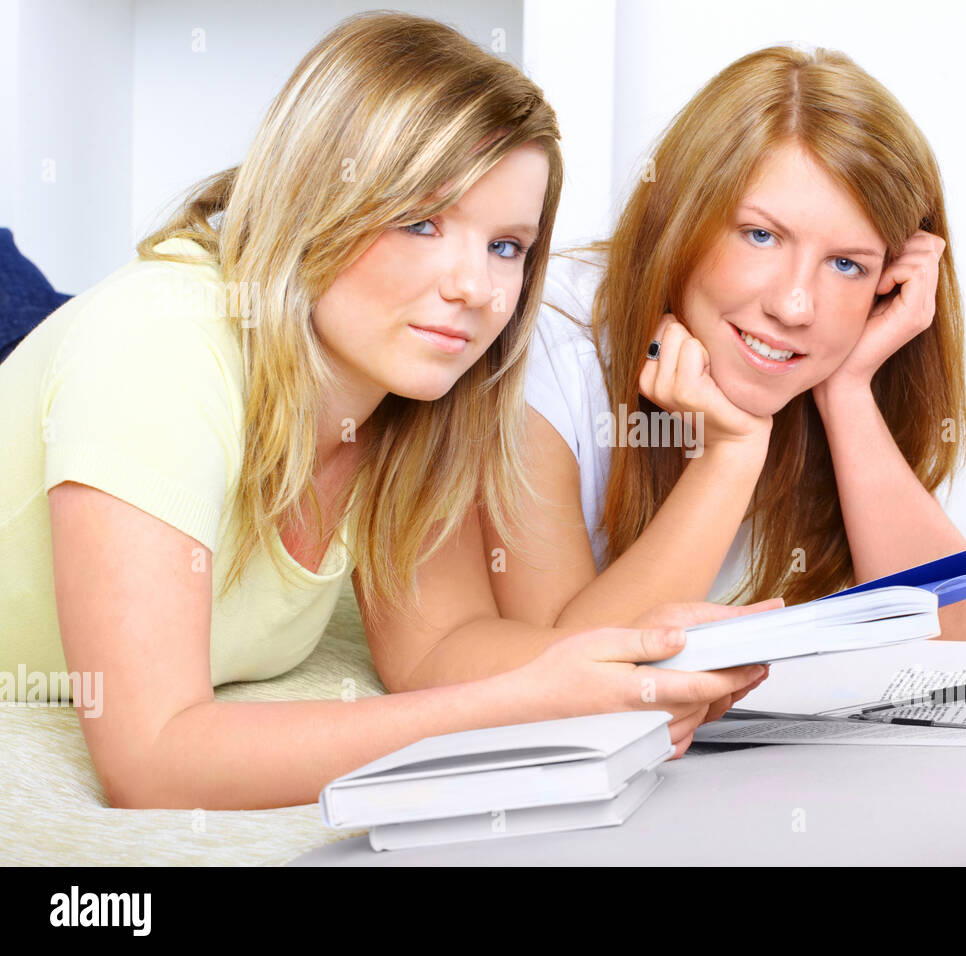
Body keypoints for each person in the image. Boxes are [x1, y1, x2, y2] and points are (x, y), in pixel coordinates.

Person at [0, 12, 769, 811]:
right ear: (312, 199)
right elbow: (150, 760)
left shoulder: (405, 396)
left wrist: (641, 658)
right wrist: (517, 710)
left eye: (507, 246)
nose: (475, 287)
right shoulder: (156, 344)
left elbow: (441, 650)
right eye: (421, 221)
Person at [483, 44, 966, 647]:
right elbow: (557, 670)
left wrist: (846, 387)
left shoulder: (831, 366)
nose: (795, 306)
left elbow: (947, 639)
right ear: (682, 217)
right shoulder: (549, 341)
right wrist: (730, 453)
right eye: (761, 235)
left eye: (847, 264)